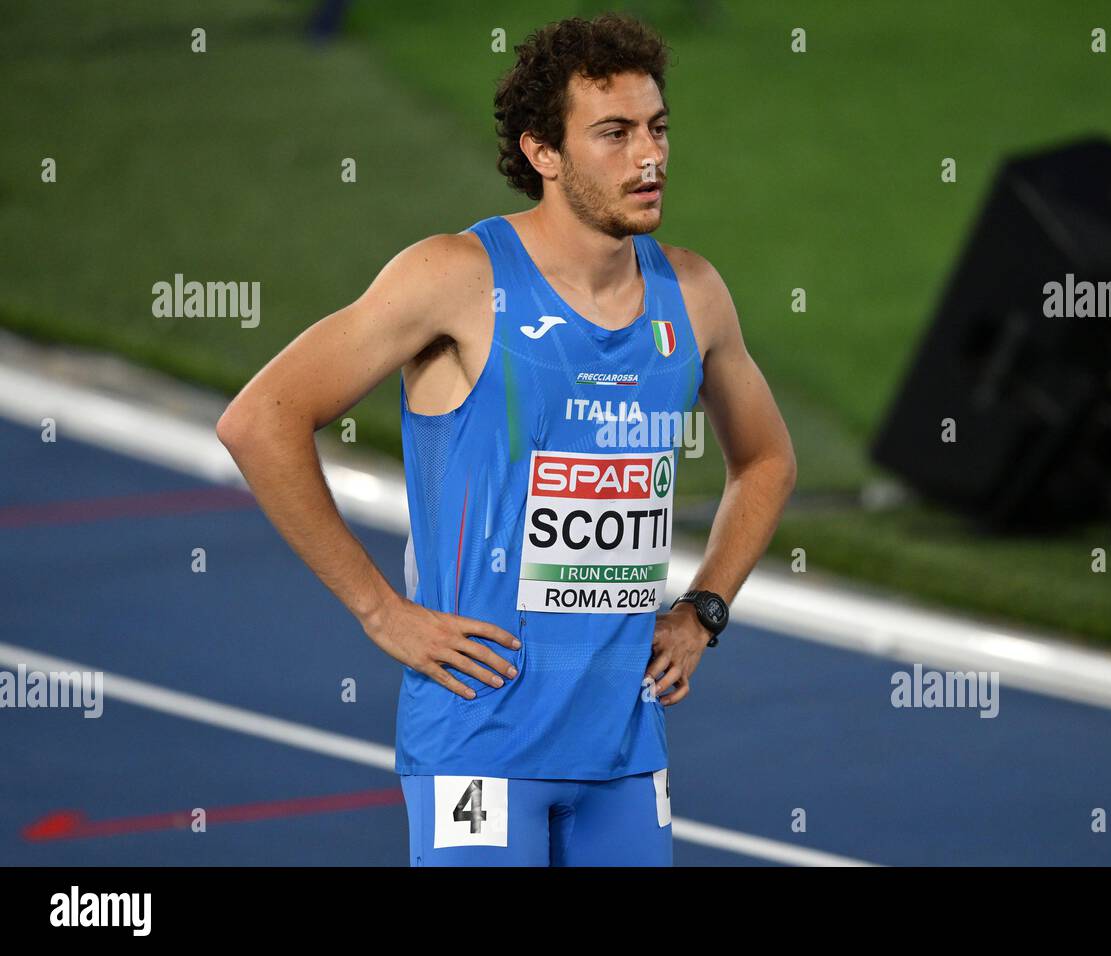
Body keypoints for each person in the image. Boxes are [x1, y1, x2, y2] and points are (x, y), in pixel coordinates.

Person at [216, 12, 796, 866]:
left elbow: (768, 460)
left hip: (623, 751)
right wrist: (382, 612)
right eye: (615, 133)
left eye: (657, 127)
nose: (651, 156)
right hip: (479, 744)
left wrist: (704, 611)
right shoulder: (455, 278)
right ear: (543, 153)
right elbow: (260, 419)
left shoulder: (695, 295)